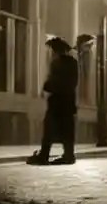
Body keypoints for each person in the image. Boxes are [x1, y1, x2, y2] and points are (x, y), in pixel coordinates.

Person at [28, 36, 79, 166]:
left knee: (49, 129)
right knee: (67, 130)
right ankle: (68, 155)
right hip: (68, 102)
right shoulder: (73, 63)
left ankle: (44, 155)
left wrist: (47, 86)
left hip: (57, 102)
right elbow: (73, 82)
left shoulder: (56, 63)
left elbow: (52, 82)